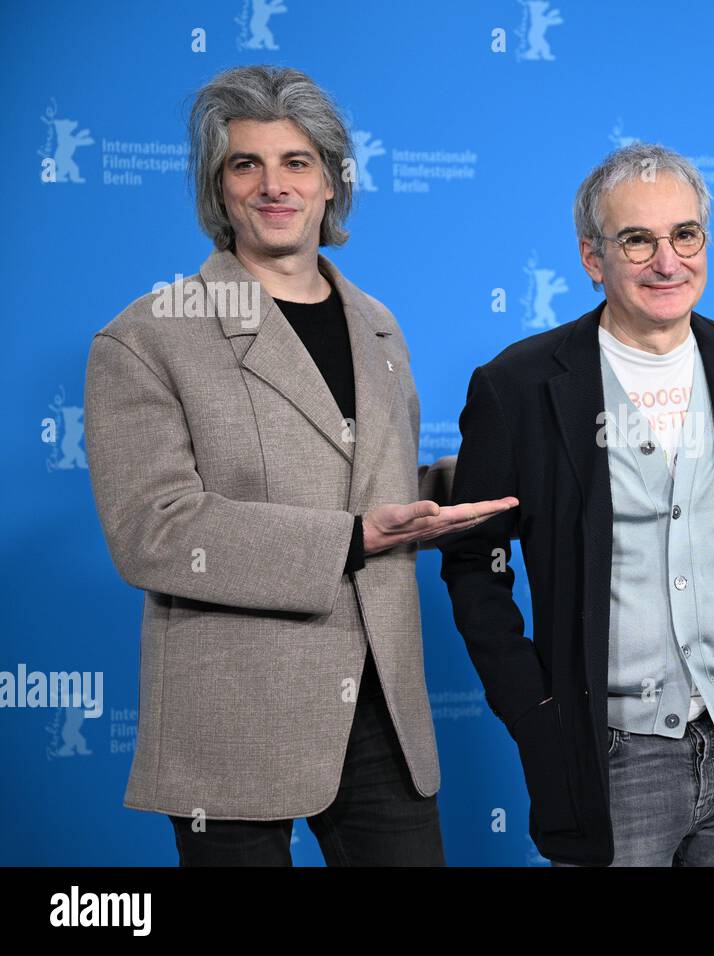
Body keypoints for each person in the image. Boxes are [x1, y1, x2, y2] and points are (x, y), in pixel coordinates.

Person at [83, 65, 515, 866]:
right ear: (218, 188)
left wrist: (493, 484)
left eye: (297, 162)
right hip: (236, 716)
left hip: (383, 705)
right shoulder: (147, 337)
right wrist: (352, 538)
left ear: (331, 182)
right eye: (245, 163)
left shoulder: (378, 326)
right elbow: (154, 532)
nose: (273, 185)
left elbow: (380, 495)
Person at [440, 143, 714, 866]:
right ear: (592, 258)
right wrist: (534, 710)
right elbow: (473, 562)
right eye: (637, 241)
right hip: (610, 755)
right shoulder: (517, 386)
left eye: (685, 235)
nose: (667, 262)